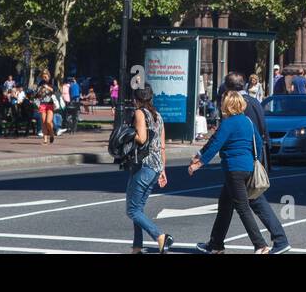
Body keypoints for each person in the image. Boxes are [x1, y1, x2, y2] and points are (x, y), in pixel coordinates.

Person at [194, 72, 290, 254]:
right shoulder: (254, 102)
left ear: (227, 88)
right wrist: (259, 159)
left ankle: (273, 241)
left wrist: (200, 157)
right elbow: (262, 131)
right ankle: (216, 244)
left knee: (252, 203)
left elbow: (219, 137)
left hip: (240, 162)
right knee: (226, 203)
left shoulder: (233, 105)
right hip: (253, 159)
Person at [188, 87, 269, 253]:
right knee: (225, 205)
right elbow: (259, 143)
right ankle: (216, 245)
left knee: (242, 208)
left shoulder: (228, 123)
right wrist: (255, 161)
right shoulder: (247, 121)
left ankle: (260, 245)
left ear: (228, 105)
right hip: (247, 168)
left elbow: (216, 144)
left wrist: (198, 163)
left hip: (234, 170)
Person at [124, 86, 172, 254]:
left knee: (132, 210)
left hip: (143, 164)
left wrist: (128, 133)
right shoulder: (158, 116)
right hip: (156, 166)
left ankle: (160, 236)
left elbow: (142, 138)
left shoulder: (139, 113)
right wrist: (163, 170)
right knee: (138, 208)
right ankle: (137, 246)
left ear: (136, 99)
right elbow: (162, 146)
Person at [36, 70, 57, 143]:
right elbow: (37, 94)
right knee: (43, 121)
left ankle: (51, 134)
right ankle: (45, 139)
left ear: (49, 76)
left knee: (48, 121)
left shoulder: (52, 82)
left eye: (45, 77)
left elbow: (55, 90)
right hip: (42, 104)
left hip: (50, 103)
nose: (44, 78)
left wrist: (48, 87)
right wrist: (40, 91)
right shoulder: (41, 83)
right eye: (43, 77)